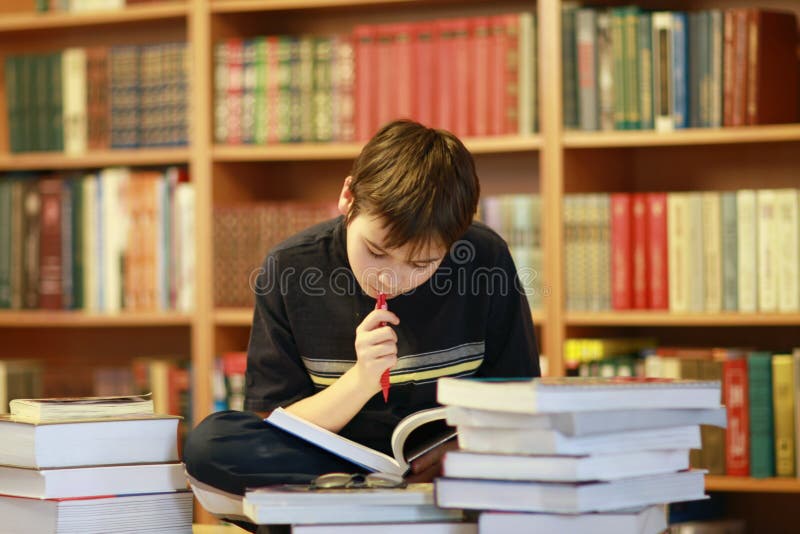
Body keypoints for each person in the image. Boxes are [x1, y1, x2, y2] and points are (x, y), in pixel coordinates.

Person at [184, 120, 540, 529]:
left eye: (421, 264)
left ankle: (360, 517)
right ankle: (392, 510)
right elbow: (274, 425)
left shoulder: (485, 258)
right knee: (213, 444)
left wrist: (456, 452)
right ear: (347, 196)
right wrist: (360, 381)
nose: (392, 278)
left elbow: (523, 404)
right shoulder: (291, 268)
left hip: (447, 470)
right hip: (328, 466)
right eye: (376, 251)